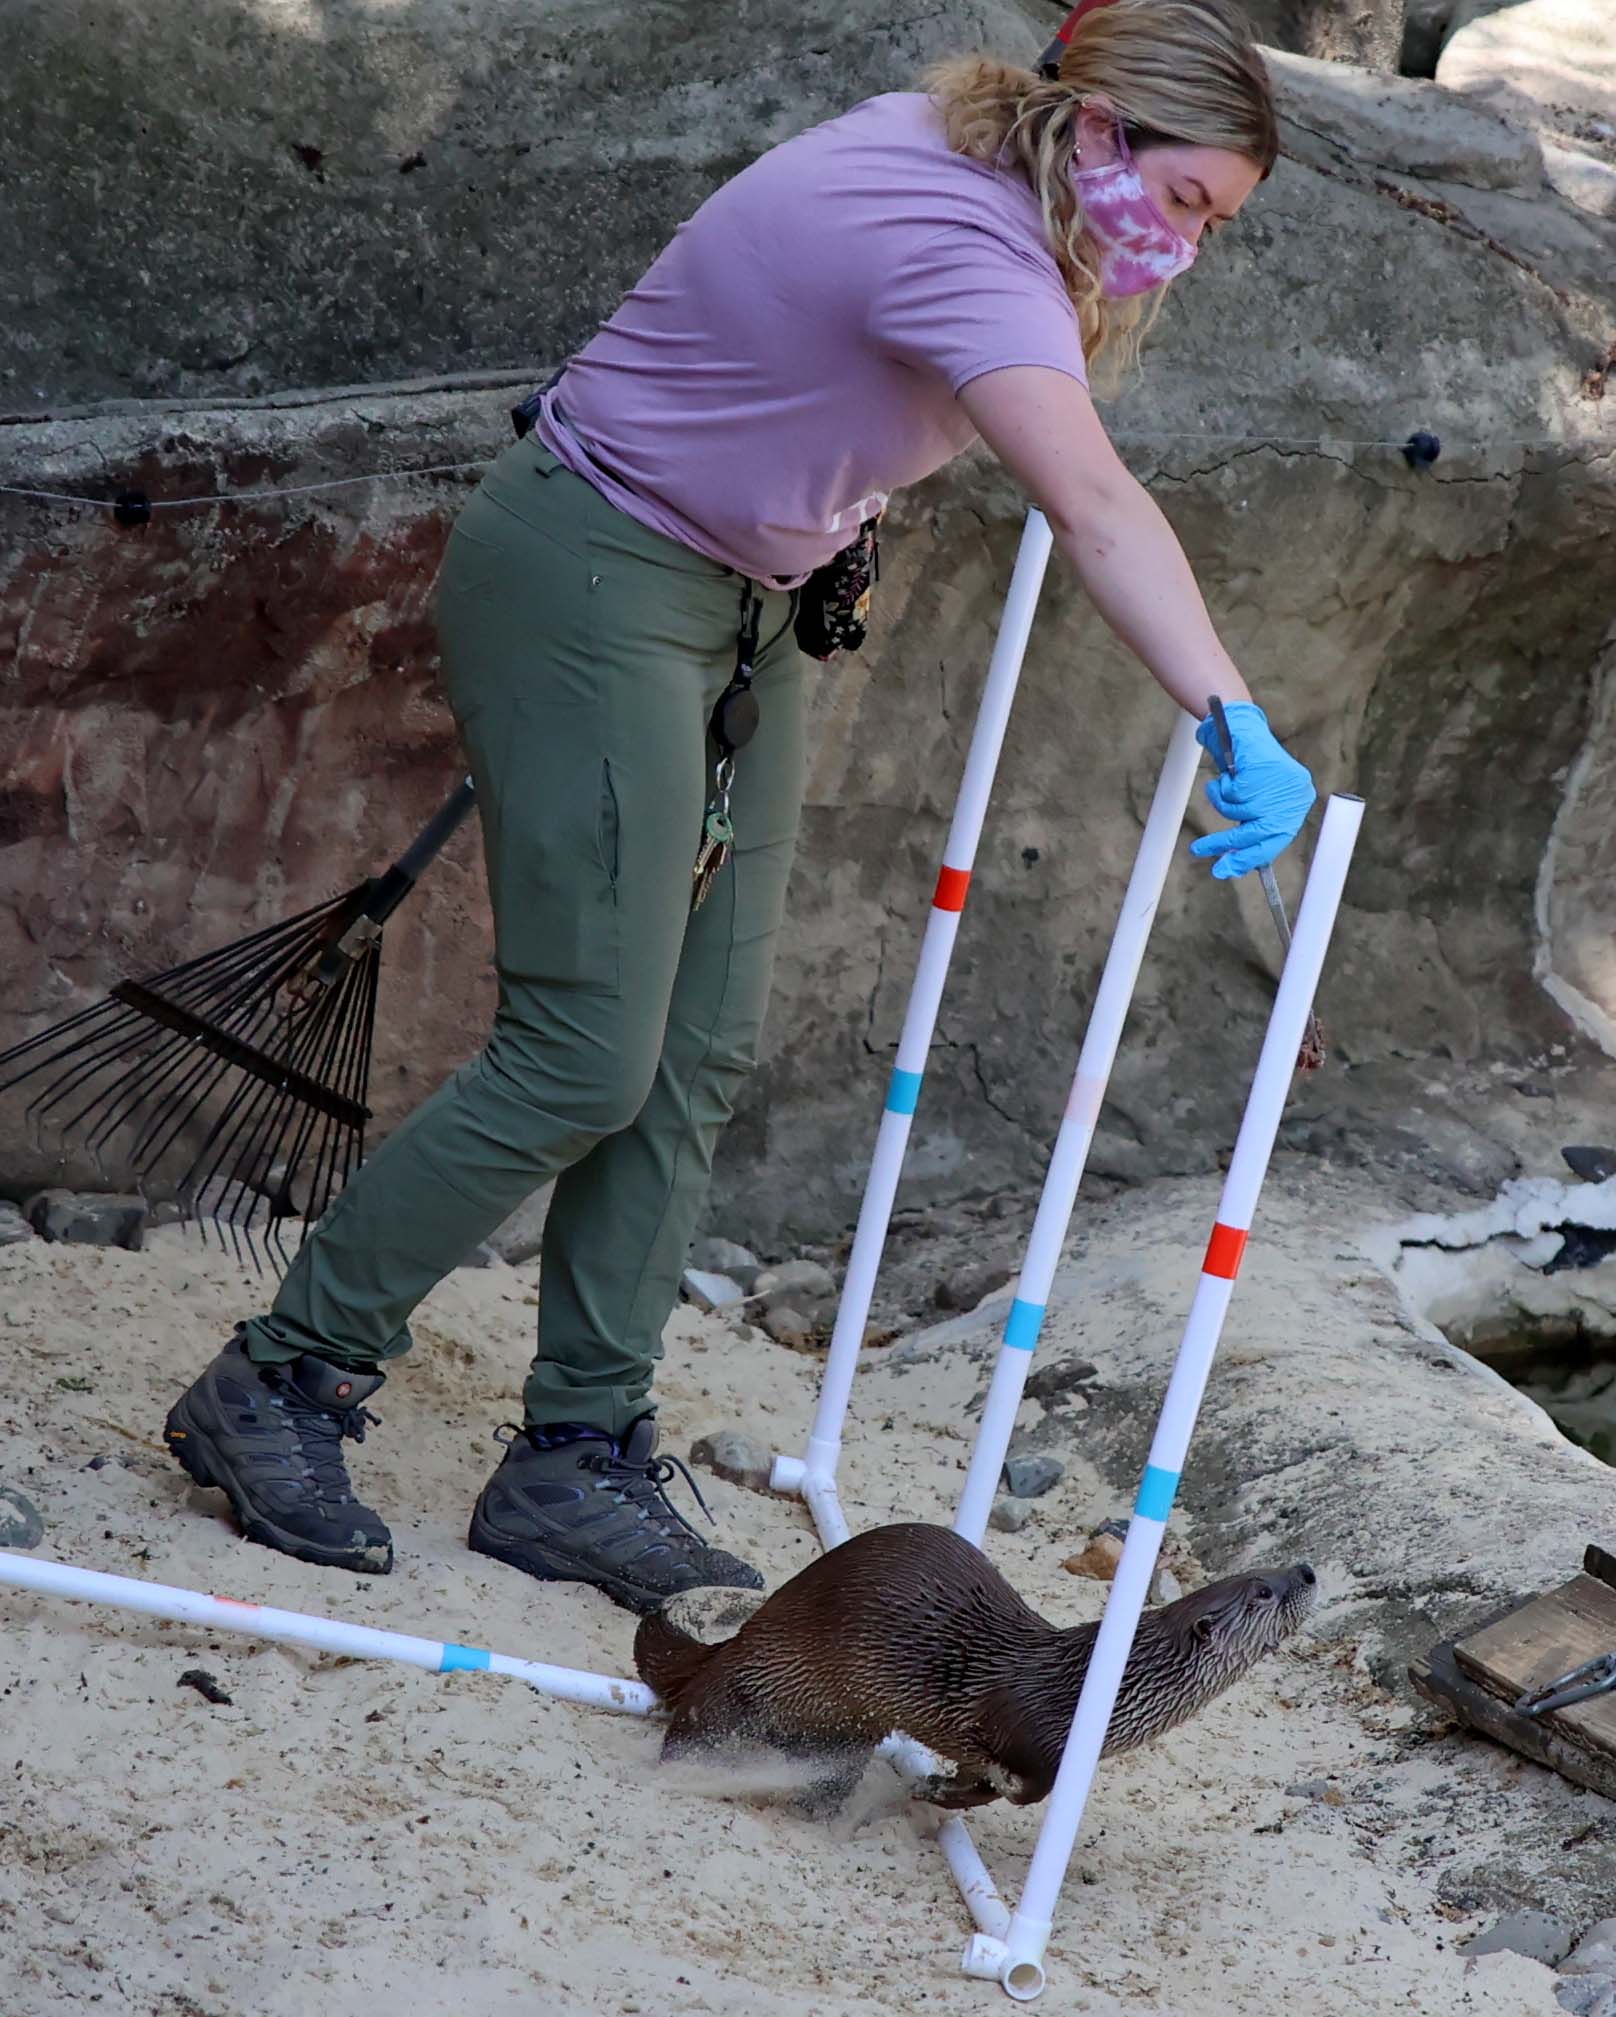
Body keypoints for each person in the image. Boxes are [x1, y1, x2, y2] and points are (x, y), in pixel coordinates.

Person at [162, 0, 1314, 1612]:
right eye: (1187, 202)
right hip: (595, 570)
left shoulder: (982, 159)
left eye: (1217, 230)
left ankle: (575, 1452)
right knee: (581, 1049)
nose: (1183, 248)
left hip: (744, 602)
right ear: (1101, 127)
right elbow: (1096, 503)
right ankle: (280, 1376)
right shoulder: (965, 236)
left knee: (693, 1051)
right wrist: (1233, 715)